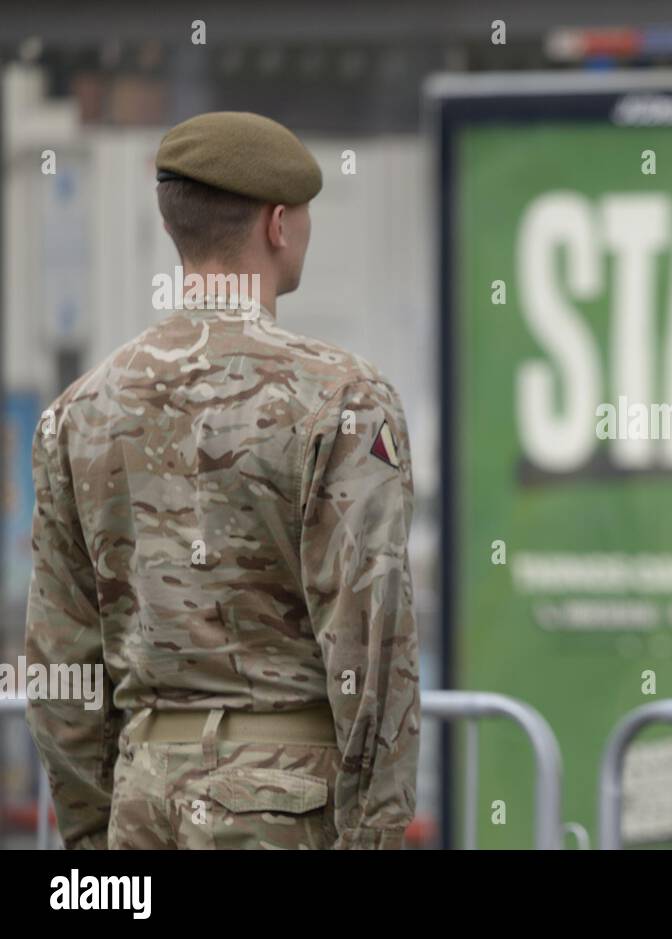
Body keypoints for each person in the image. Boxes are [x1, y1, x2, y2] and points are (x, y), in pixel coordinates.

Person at [24, 111, 420, 849]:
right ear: (278, 226)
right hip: (287, 809)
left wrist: (96, 831)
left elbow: (60, 668)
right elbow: (374, 649)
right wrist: (375, 834)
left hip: (141, 803)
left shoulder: (77, 413)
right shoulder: (343, 400)